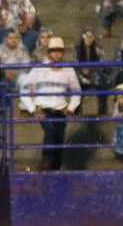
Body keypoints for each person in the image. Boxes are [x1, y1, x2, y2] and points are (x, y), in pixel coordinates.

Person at [20, 36, 81, 170]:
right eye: (53, 50)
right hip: (44, 109)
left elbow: (77, 91)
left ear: (62, 52)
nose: (56, 54)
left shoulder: (68, 70)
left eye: (59, 50)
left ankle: (54, 170)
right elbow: (24, 88)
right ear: (49, 53)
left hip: (60, 110)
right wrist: (33, 108)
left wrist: (70, 108)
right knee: (51, 129)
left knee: (58, 141)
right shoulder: (39, 69)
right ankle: (46, 159)